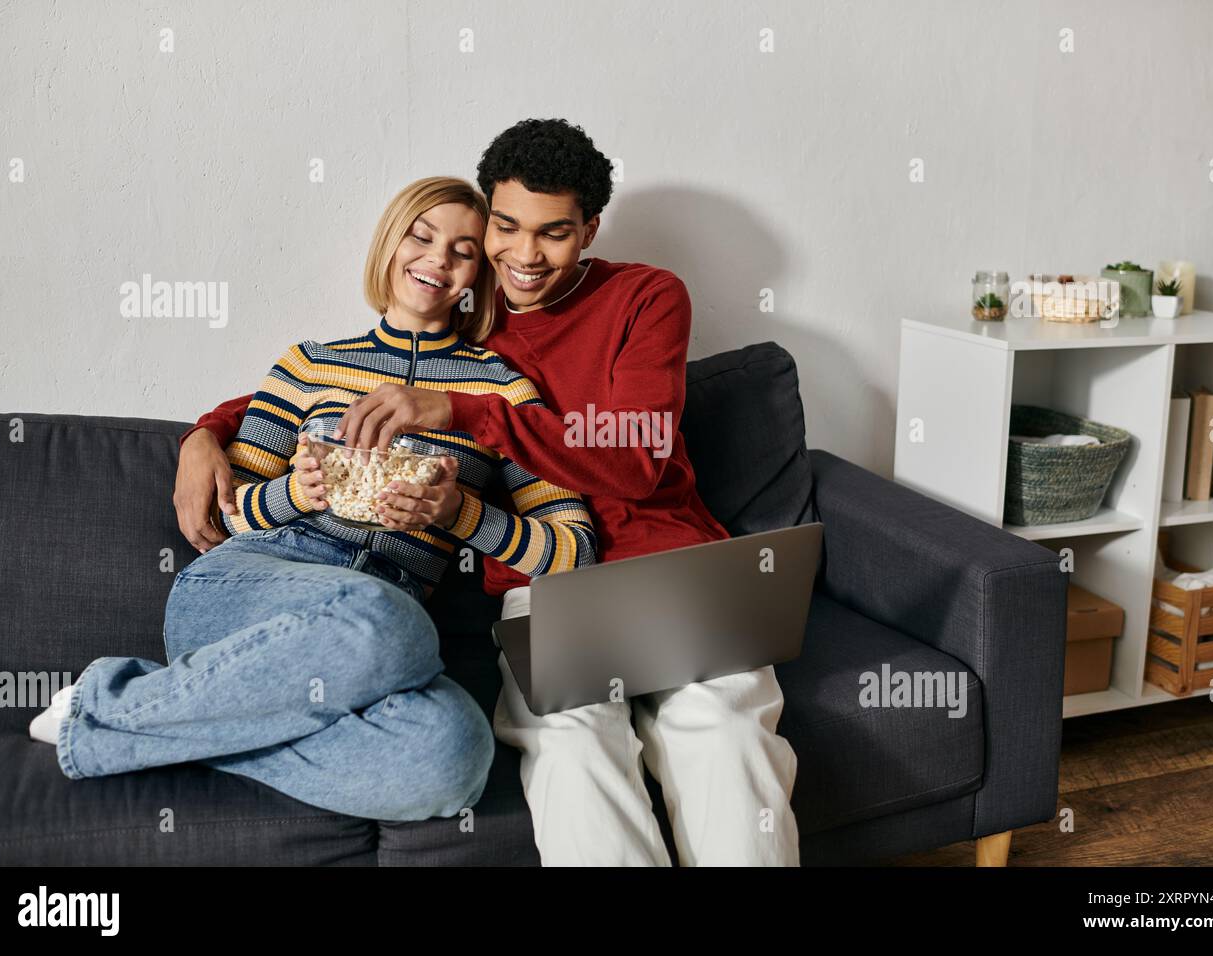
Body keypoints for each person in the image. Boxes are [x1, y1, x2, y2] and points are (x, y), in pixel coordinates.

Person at [176, 120, 800, 865]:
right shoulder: (475, 323)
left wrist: (464, 418)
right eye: (503, 228)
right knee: (572, 750)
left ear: (589, 229)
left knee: (725, 734)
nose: (524, 255)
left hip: (668, 570)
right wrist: (204, 433)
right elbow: (326, 385)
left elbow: (634, 456)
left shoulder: (645, 297)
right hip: (548, 592)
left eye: (554, 233)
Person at [29, 176, 596, 824]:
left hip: (378, 622)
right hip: (250, 586)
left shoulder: (505, 392)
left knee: (456, 757)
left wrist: (459, 514)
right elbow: (231, 514)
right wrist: (297, 492)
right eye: (422, 235)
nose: (437, 259)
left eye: (462, 249)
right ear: (390, 242)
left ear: (480, 272)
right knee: (394, 624)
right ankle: (138, 708)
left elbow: (572, 550)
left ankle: (117, 712)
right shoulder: (309, 364)